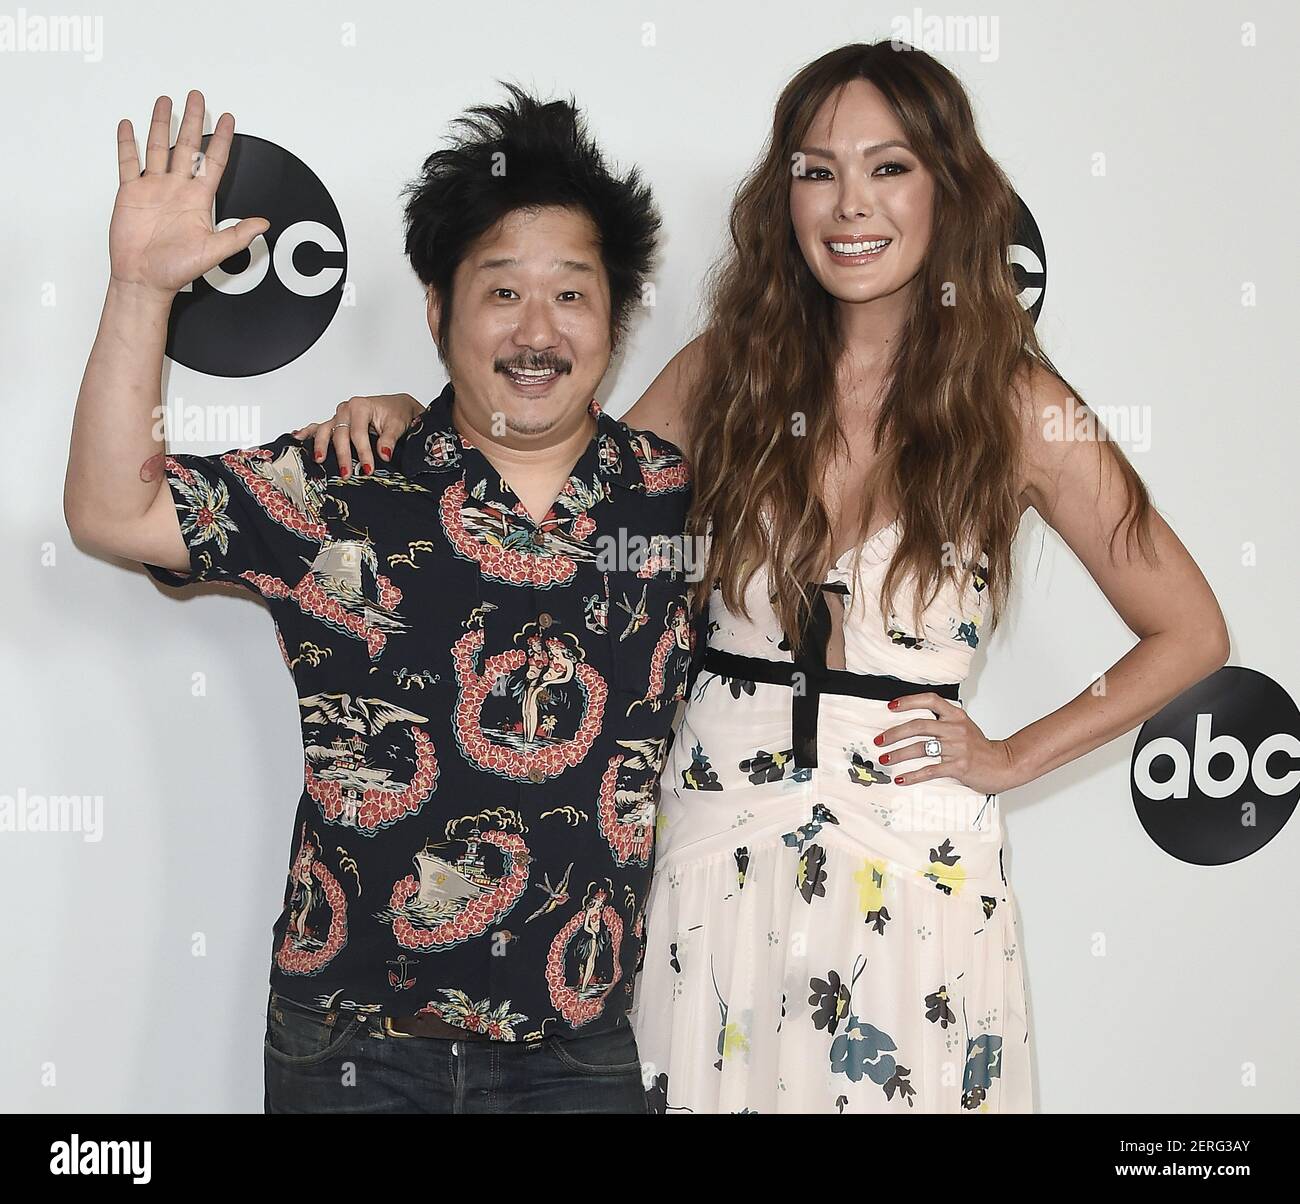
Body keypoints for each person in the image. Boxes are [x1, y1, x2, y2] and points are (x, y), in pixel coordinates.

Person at [302, 42, 1230, 1113]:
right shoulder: (727, 373)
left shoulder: (1014, 403)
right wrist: (406, 429)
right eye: (816, 168)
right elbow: (554, 523)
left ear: (947, 189)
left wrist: (1014, 754)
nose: (849, 204)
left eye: (888, 168)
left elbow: (1189, 631)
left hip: (915, 869)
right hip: (713, 859)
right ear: (783, 193)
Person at [63, 83, 702, 1114]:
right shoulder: (345, 481)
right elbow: (109, 508)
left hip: (575, 1054)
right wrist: (139, 288)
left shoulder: (673, 501)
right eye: (501, 291)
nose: (536, 330)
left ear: (618, 314)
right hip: (353, 1047)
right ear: (438, 307)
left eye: (572, 293)